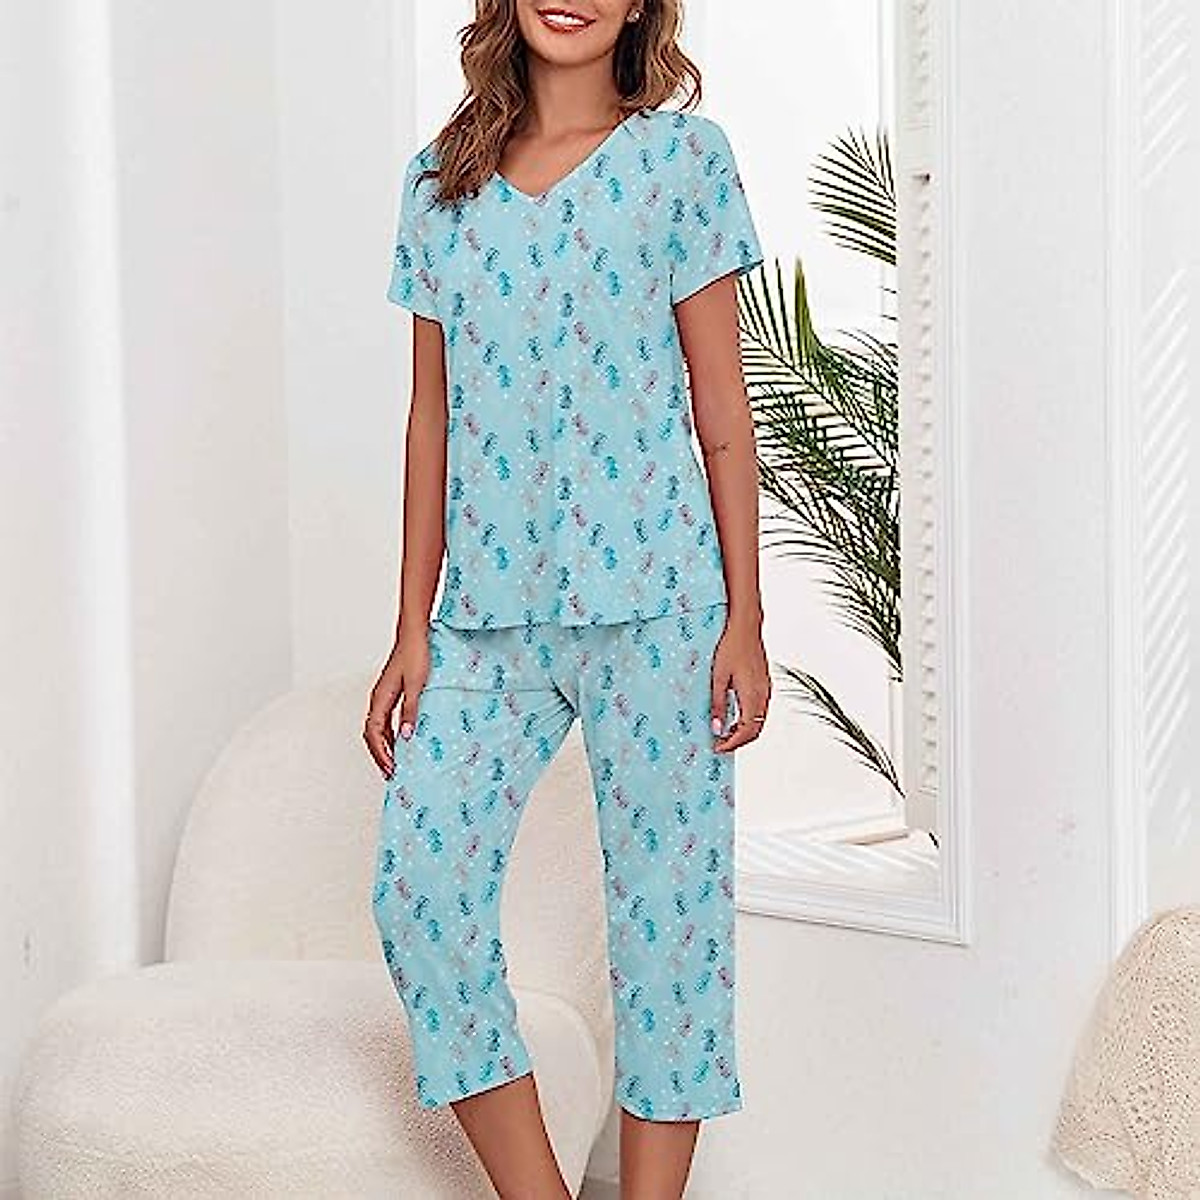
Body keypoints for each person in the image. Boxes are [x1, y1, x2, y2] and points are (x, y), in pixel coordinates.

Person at [364, 2, 771, 1195]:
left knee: (668, 932)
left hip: (662, 604)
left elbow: (722, 414)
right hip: (488, 614)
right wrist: (410, 627)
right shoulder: (439, 182)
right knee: (420, 890)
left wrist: (745, 616)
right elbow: (430, 420)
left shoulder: (683, 162)